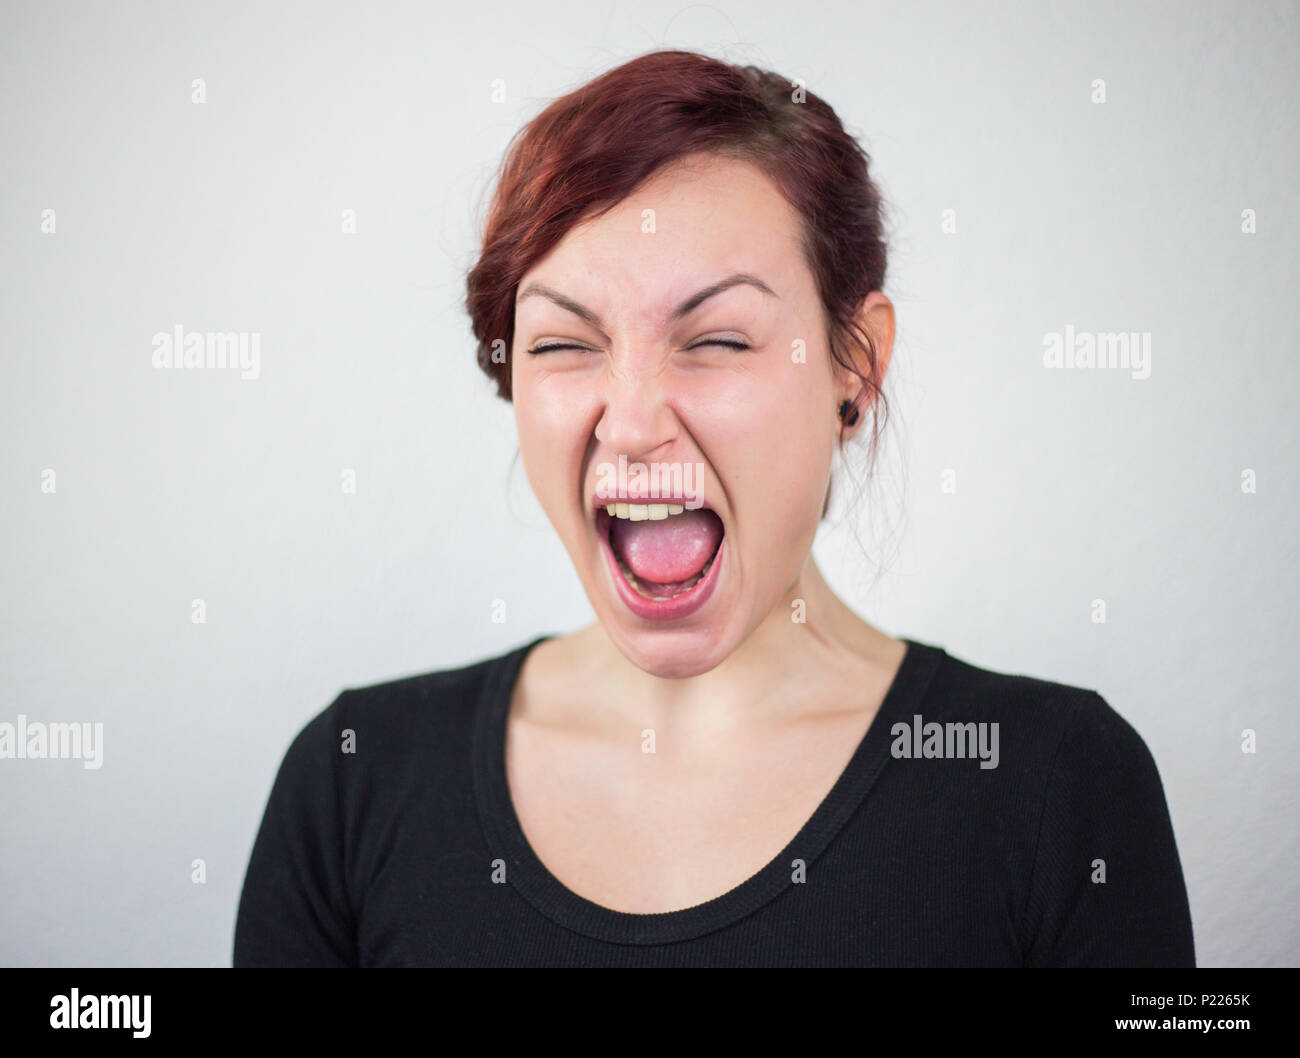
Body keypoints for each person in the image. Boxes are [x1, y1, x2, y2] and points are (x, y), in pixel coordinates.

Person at [233, 48, 1195, 967]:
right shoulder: (352, 782)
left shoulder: (1057, 785)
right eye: (565, 344)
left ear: (854, 369)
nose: (635, 423)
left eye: (721, 340)